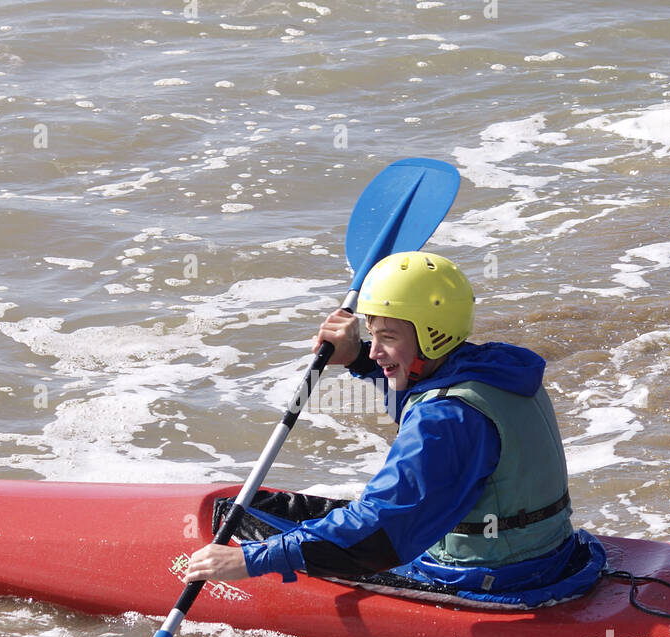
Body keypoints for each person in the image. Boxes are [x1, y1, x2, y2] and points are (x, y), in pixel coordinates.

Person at [183, 251, 605, 607]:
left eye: (387, 336)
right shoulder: (496, 369)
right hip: (550, 554)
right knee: (264, 508)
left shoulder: (445, 420)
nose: (376, 349)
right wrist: (358, 360)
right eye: (370, 334)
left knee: (244, 521)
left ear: (432, 336)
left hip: (484, 574)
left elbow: (380, 531)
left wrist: (250, 561)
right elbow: (435, 403)